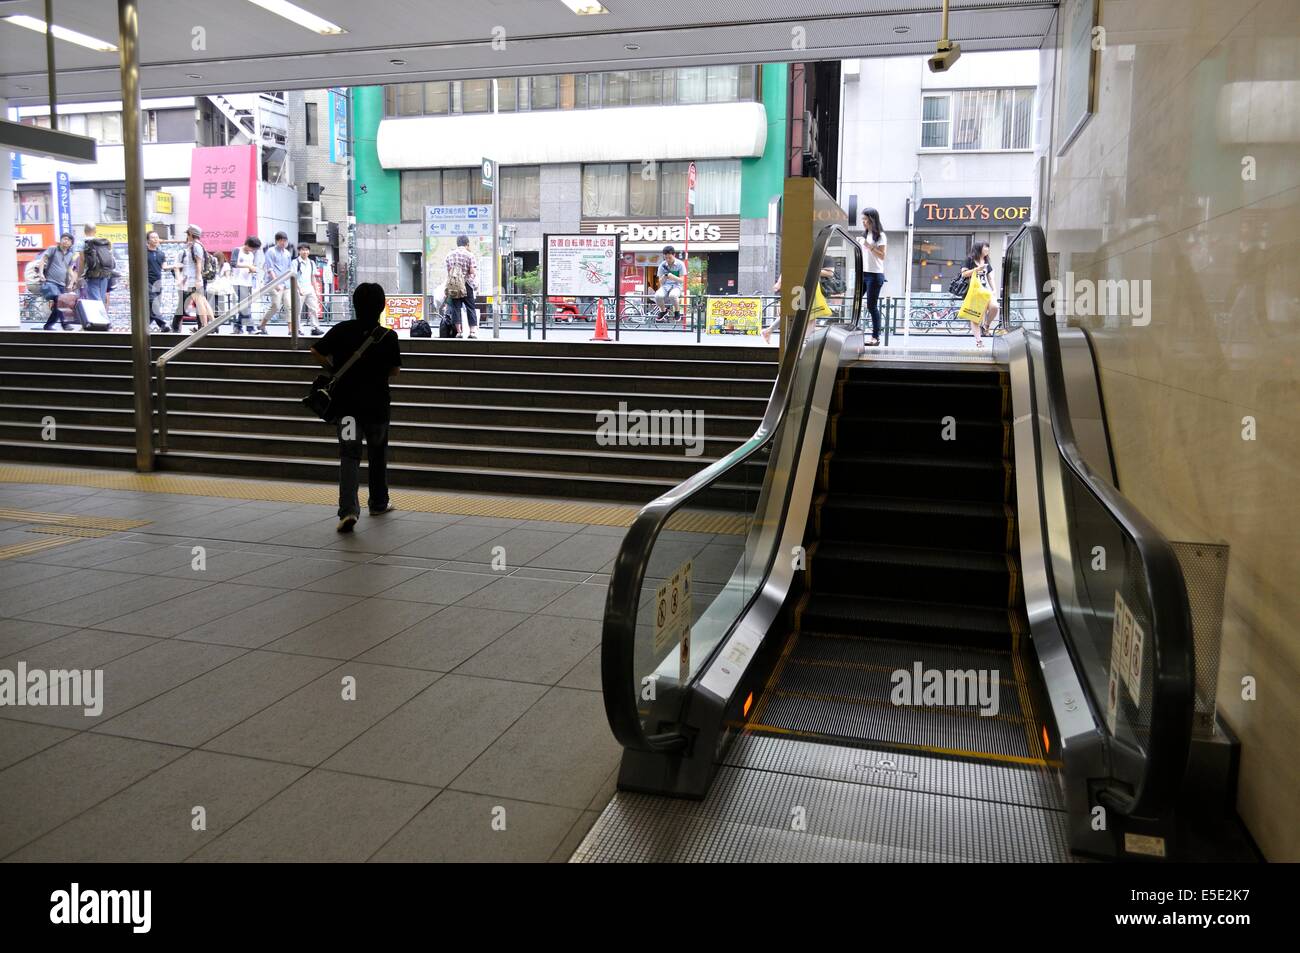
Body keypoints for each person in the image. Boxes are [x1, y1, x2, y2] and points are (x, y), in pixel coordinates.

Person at [309, 283, 402, 533]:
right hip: (377, 408)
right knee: (377, 455)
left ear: (355, 304)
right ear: (382, 306)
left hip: (347, 409)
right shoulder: (388, 336)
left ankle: (348, 510)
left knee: (349, 456)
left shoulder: (341, 330)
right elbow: (394, 370)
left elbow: (315, 351)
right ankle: (379, 502)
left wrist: (333, 369)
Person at [169, 224, 213, 333]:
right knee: (202, 301)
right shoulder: (196, 245)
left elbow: (199, 263)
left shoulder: (196, 246)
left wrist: (198, 279)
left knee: (200, 302)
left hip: (194, 280)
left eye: (188, 234)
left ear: (191, 234)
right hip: (192, 280)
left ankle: (206, 325)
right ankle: (210, 325)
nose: (187, 236)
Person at [34, 232, 77, 330]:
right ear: (60, 240)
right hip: (51, 282)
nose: (65, 241)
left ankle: (48, 325)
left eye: (68, 239)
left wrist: (72, 281)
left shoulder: (70, 255)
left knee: (59, 305)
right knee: (60, 301)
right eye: (64, 238)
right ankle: (64, 324)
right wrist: (41, 273)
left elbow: (70, 269)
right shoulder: (52, 249)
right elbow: (42, 260)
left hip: (62, 284)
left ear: (71, 243)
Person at [962, 241, 1001, 348]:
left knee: (995, 307)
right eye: (986, 247)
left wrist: (994, 290)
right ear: (979, 248)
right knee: (975, 317)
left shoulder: (986, 261)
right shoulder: (969, 260)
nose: (988, 249)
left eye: (988, 247)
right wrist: (976, 269)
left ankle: (986, 325)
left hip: (986, 291)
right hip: (975, 293)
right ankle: (979, 341)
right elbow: (964, 274)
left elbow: (990, 277)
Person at [257, 231, 294, 335]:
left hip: (286, 284)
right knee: (275, 306)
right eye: (281, 240)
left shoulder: (287, 253)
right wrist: (276, 283)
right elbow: (270, 269)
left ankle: (290, 330)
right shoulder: (270, 251)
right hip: (273, 283)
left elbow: (289, 269)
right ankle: (262, 325)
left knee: (289, 306)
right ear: (277, 241)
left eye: (285, 240)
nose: (283, 242)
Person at [860, 208, 887, 346]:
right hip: (863, 273)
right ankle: (855, 330)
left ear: (872, 219)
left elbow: (882, 256)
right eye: (862, 219)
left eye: (865, 219)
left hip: (875, 275)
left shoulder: (880, 236)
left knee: (871, 306)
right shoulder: (864, 234)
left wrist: (868, 246)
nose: (863, 222)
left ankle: (875, 337)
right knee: (856, 302)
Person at [444, 235, 478, 338]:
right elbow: (472, 271)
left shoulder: (449, 255)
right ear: (467, 244)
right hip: (466, 284)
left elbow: (449, 271)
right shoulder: (470, 255)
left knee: (456, 308)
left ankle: (459, 331)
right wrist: (474, 273)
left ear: (457, 243)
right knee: (470, 307)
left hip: (454, 285)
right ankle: (472, 332)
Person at [74, 224, 115, 303]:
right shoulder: (103, 242)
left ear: (84, 231)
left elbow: (82, 260)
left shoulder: (82, 242)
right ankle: (102, 313)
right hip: (105, 273)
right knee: (101, 298)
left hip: (92, 274)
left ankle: (98, 314)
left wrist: (79, 277)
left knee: (94, 299)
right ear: (95, 231)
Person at [230, 236, 263, 333]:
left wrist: (251, 269)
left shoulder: (251, 255)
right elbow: (233, 263)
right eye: (253, 248)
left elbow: (250, 267)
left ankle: (237, 327)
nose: (253, 250)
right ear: (248, 245)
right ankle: (250, 328)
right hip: (237, 282)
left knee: (244, 305)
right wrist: (248, 266)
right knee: (246, 305)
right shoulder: (237, 250)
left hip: (248, 282)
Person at [293, 243, 324, 336]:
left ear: (309, 251)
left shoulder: (311, 262)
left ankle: (315, 328)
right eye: (302, 250)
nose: (305, 252)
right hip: (299, 289)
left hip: (309, 289)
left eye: (306, 250)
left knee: (314, 308)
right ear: (299, 251)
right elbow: (293, 277)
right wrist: (298, 289)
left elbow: (313, 277)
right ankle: (298, 329)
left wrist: (316, 290)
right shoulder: (295, 262)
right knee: (298, 310)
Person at [145, 231, 169, 331]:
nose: (155, 239)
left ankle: (145, 325)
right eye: (153, 237)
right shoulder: (143, 253)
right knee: (154, 303)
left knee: (155, 305)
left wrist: (176, 266)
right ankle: (163, 324)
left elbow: (165, 267)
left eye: (157, 237)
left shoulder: (161, 253)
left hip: (158, 282)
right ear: (148, 240)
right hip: (146, 281)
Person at [655, 245, 685, 320]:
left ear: (674, 255)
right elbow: (660, 282)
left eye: (670, 257)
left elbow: (682, 280)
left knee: (673, 295)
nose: (668, 259)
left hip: (677, 286)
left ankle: (677, 311)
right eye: (666, 258)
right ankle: (663, 310)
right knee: (657, 296)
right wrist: (664, 277)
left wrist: (673, 277)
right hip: (665, 286)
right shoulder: (662, 265)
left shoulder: (680, 264)